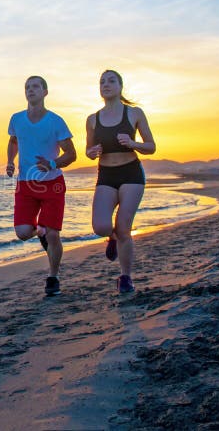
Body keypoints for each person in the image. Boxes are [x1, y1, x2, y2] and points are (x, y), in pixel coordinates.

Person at [85, 69, 156, 293]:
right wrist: (92, 151)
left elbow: (151, 146)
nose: (106, 85)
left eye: (111, 81)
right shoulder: (92, 119)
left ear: (120, 86)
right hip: (106, 174)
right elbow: (87, 150)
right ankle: (112, 237)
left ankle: (125, 277)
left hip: (131, 173)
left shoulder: (134, 113)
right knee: (101, 226)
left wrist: (133, 143)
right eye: (102, 82)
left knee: (124, 227)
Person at [7, 75, 77, 296]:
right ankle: (41, 230)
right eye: (27, 87)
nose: (30, 90)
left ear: (45, 92)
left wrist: (52, 164)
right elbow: (13, 141)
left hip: (52, 184)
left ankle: (53, 277)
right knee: (22, 232)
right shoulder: (16, 119)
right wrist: (10, 161)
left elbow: (72, 154)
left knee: (53, 235)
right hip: (25, 185)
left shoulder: (55, 121)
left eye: (35, 86)